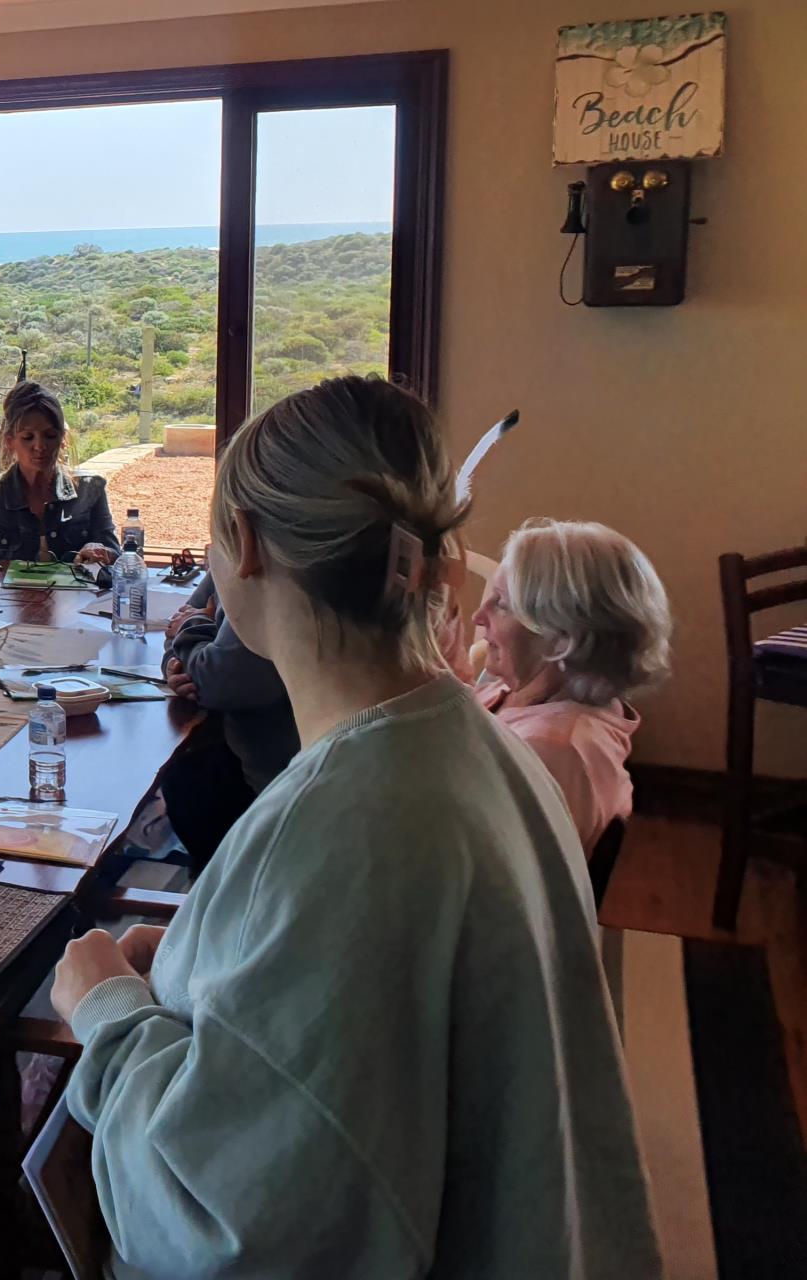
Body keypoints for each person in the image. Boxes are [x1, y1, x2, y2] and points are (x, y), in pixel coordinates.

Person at [51, 376, 660, 1278]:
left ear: (244, 548)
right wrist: (211, 948)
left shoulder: (344, 822)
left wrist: (105, 1013)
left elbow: (218, 1226)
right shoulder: (473, 752)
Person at [469, 518, 671, 853]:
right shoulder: (525, 696)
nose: (479, 615)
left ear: (562, 634)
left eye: (501, 603)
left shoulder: (551, 751)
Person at [153, 573, 298, 868]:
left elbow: (219, 679)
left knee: (188, 785)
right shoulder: (229, 553)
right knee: (185, 778)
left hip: (280, 783)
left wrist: (192, 630)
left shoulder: (269, 571)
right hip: (246, 752)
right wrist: (173, 667)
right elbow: (176, 631)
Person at [0, 380, 119, 565]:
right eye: (28, 437)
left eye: (50, 436)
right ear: (10, 441)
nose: (40, 446)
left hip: (76, 595)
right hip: (12, 595)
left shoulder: (90, 489)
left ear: (63, 440)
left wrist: (102, 551)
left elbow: (116, 556)